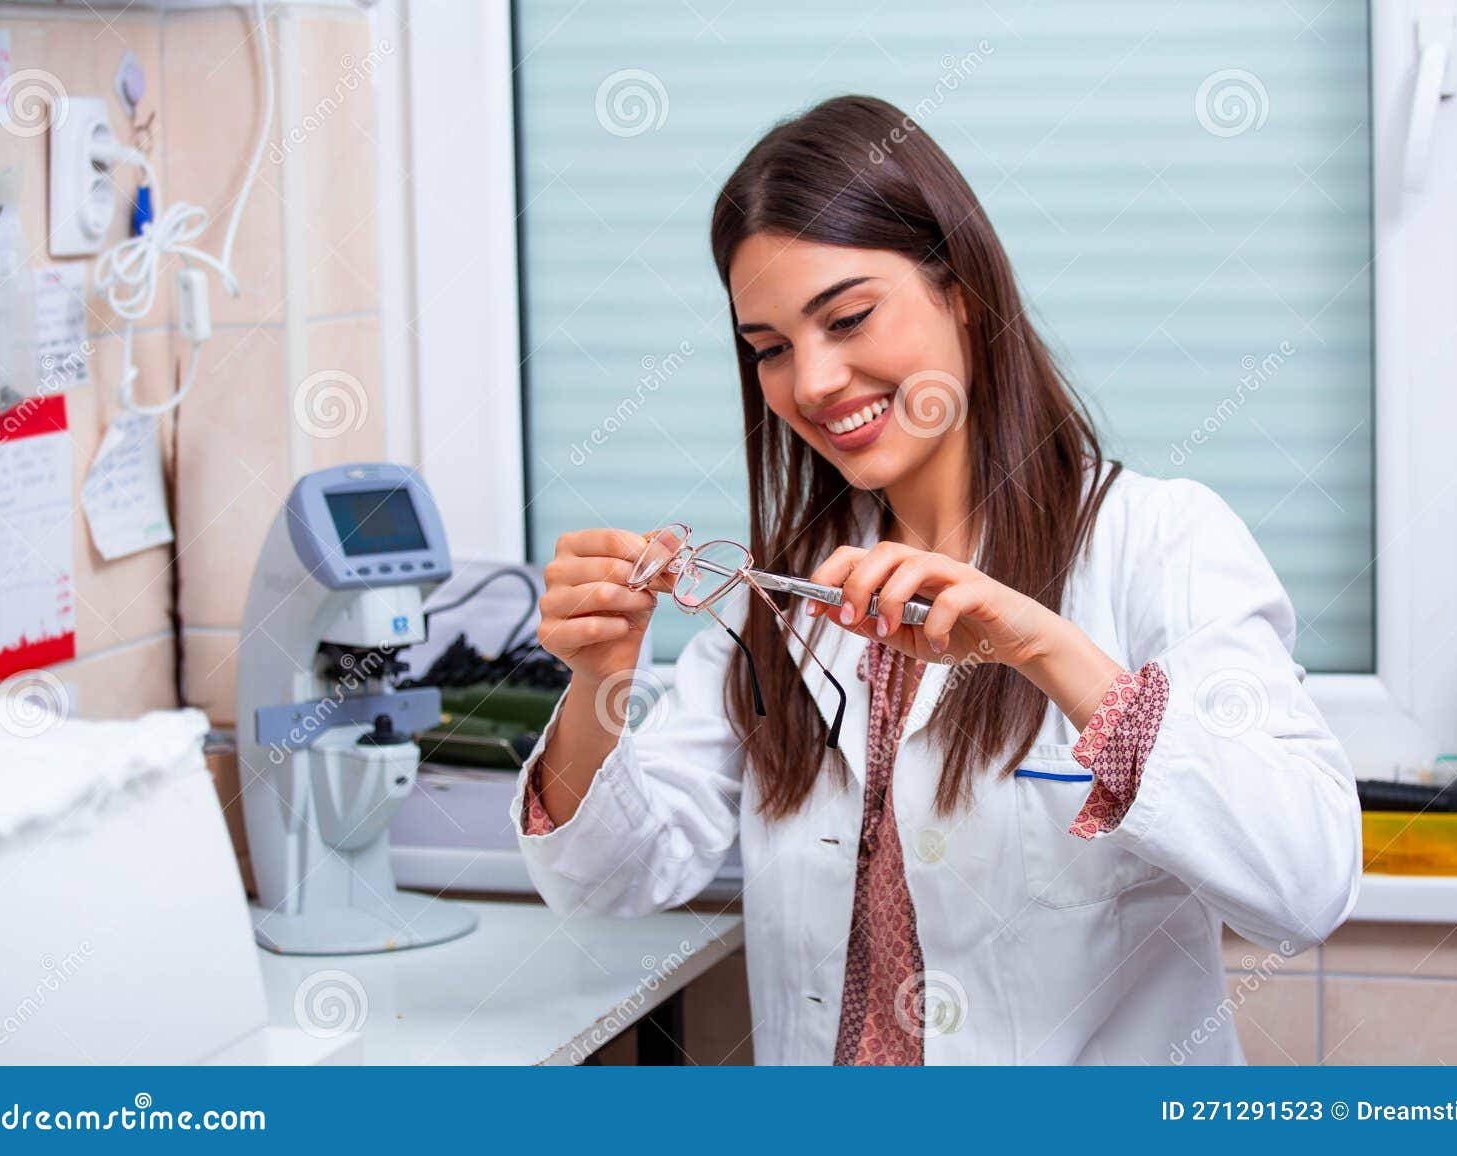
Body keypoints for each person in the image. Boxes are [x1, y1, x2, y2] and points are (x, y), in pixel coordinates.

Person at [514, 95, 1360, 1065]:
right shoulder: (786, 603)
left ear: (958, 286)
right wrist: (598, 676)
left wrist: (1043, 647)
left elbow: (1306, 885)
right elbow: (608, 879)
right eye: (771, 350)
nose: (816, 381)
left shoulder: (1159, 545)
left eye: (849, 317)